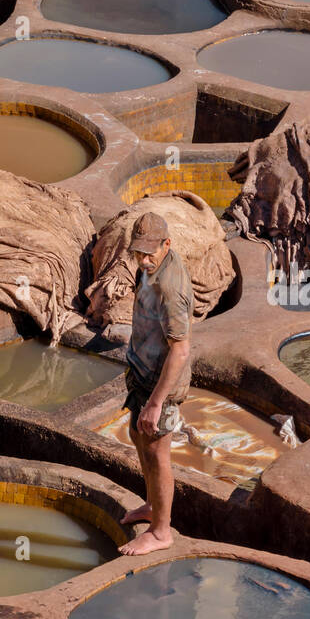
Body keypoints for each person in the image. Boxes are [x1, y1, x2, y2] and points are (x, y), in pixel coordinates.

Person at [118, 212, 193, 557]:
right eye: (139, 253)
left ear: (167, 245)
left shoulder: (169, 288)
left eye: (151, 253)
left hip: (162, 383)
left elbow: (180, 349)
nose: (144, 260)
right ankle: (152, 506)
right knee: (138, 436)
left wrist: (156, 403)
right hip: (144, 371)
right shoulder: (149, 269)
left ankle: (161, 531)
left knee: (158, 451)